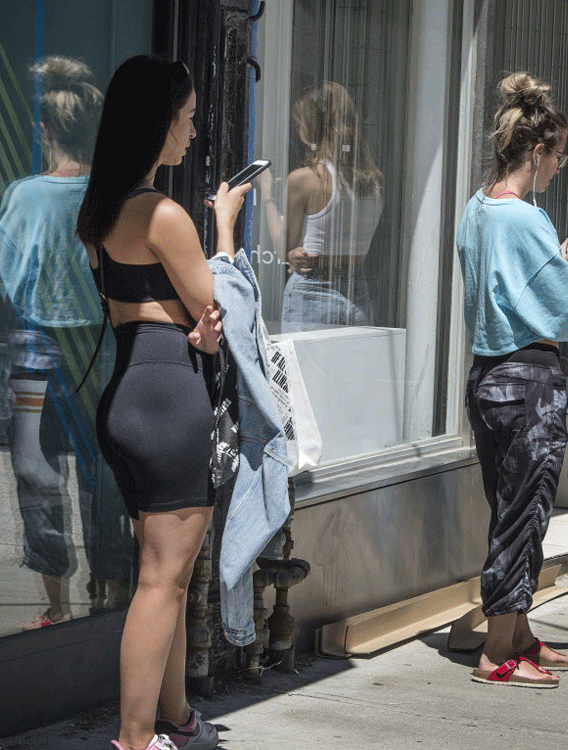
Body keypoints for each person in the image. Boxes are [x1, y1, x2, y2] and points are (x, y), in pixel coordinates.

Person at [76, 55, 249, 750]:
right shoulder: (165, 214)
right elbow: (215, 307)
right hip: (171, 396)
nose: (193, 131)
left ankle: (174, 715)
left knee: (168, 577)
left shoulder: (98, 215)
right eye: (185, 118)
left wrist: (196, 326)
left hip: (124, 394)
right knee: (162, 580)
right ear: (156, 124)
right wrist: (227, 229)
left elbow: (149, 306)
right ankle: (135, 738)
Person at [456, 71, 568, 688]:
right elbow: (555, 301)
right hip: (530, 380)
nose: (559, 168)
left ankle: (517, 633)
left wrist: (565, 245)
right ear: (537, 151)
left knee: (509, 508)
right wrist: (567, 255)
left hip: (488, 376)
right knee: (526, 512)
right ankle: (499, 650)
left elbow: (516, 283)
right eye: (559, 156)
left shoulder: (478, 208)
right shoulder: (526, 218)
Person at [0, 55, 132, 630]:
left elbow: (5, 275)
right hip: (103, 353)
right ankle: (112, 594)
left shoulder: (23, 198)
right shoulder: (117, 197)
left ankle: (57, 604)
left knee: (38, 478)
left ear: (44, 132)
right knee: (108, 478)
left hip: (36, 357)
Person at [275, 81, 383, 329]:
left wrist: (267, 193)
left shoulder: (305, 179)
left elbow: (285, 245)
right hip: (358, 287)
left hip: (313, 286)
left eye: (300, 121)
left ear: (311, 127)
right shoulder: (373, 181)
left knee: (302, 367)